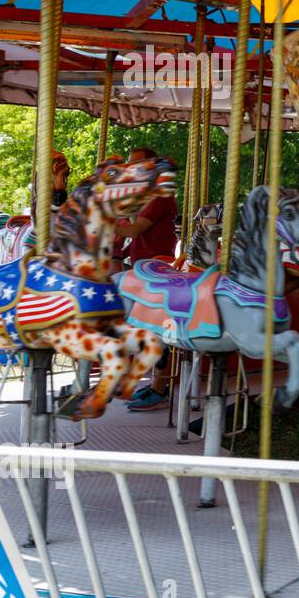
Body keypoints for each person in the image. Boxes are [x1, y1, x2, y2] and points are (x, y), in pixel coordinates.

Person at [116, 146, 180, 411]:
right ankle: (151, 382)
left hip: (155, 269)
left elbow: (135, 229)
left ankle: (159, 387)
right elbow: (137, 237)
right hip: (142, 265)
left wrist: (107, 216)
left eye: (136, 165)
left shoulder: (159, 196)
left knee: (156, 328)